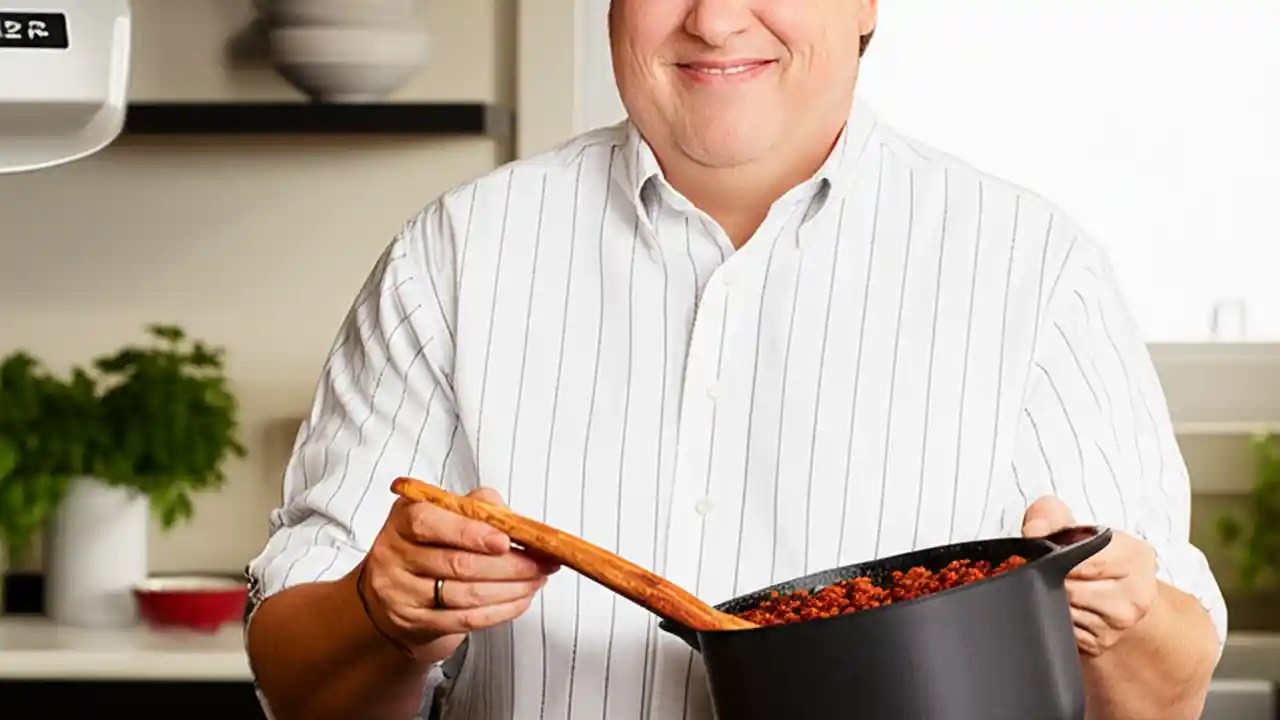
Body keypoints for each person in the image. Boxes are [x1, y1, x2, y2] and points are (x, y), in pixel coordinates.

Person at [244, 1, 1227, 718]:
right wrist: (383, 610)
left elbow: (1164, 690)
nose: (712, 21)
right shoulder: (456, 253)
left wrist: (1120, 614)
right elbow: (297, 682)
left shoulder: (1034, 265)